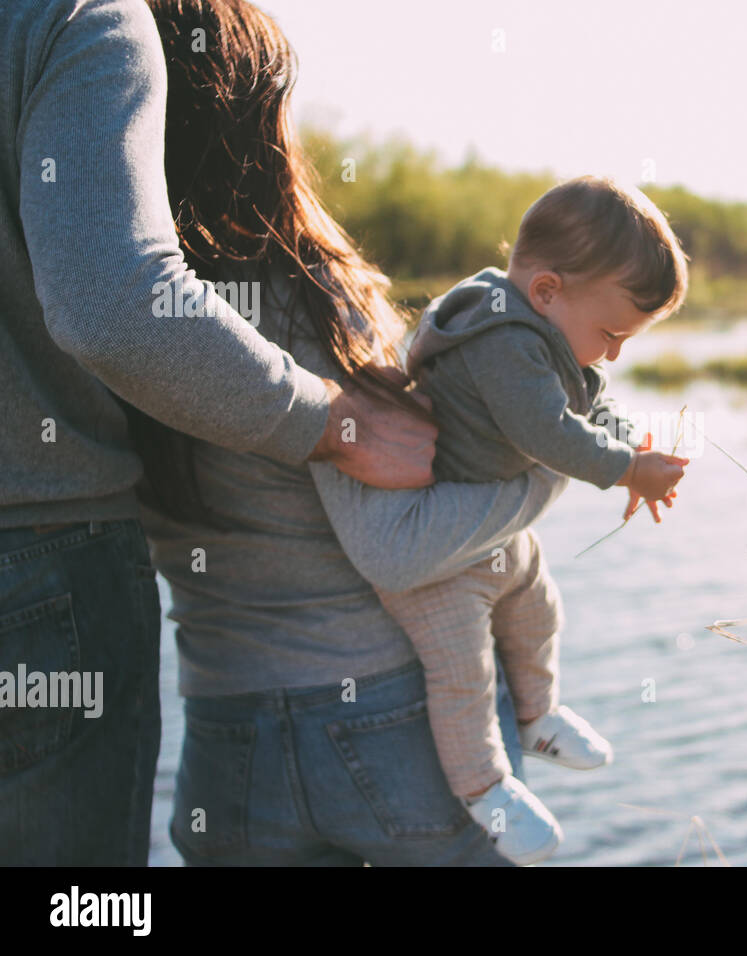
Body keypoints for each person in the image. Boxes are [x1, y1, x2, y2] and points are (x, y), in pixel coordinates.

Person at [130, 0, 569, 865]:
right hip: (393, 721)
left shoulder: (123, 317)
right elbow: (421, 506)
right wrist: (540, 481)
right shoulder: (314, 295)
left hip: (226, 737)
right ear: (264, 120)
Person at [0, 0, 437, 865]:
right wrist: (337, 422)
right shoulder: (309, 301)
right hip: (372, 719)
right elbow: (111, 304)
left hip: (225, 749)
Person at [378, 177, 690, 863]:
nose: (613, 352)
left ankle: (538, 716)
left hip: (492, 533)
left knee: (539, 610)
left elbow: (587, 403)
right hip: (440, 550)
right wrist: (626, 471)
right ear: (547, 291)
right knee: (461, 670)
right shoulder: (501, 342)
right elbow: (548, 430)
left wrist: (630, 441)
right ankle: (484, 788)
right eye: (610, 333)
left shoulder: (542, 331)